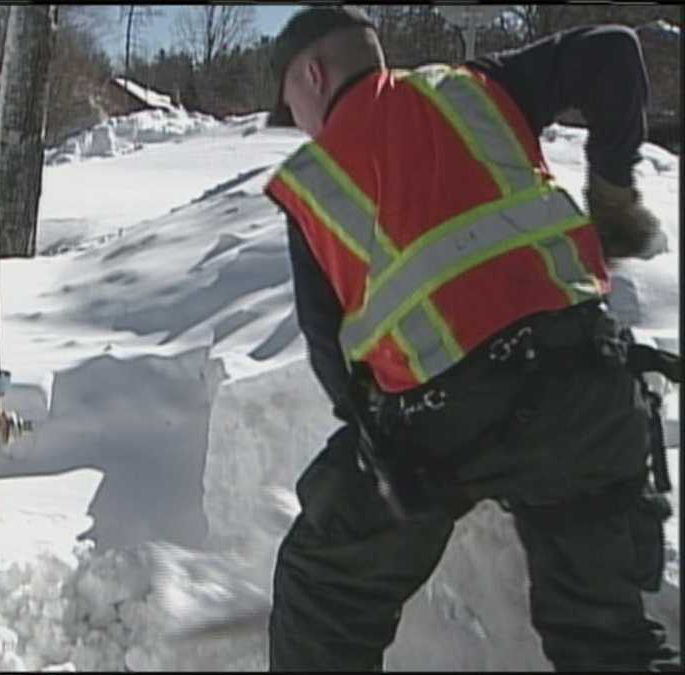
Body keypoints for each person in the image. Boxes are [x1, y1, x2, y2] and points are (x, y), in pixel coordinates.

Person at [261, 7, 680, 671]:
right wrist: (611, 193)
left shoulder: (319, 177)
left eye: (291, 105)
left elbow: (332, 353)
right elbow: (612, 51)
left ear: (311, 73)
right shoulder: (477, 86)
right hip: (588, 388)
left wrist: (378, 444)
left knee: (323, 590)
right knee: (607, 639)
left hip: (442, 418)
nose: (301, 127)